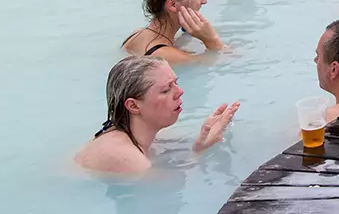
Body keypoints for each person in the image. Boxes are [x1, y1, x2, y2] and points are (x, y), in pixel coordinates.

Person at [74, 57, 238, 174]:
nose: (180, 92)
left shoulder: (145, 136)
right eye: (166, 90)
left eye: (176, 83)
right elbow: (168, 186)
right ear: (133, 105)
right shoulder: (123, 156)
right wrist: (200, 151)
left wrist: (208, 133)